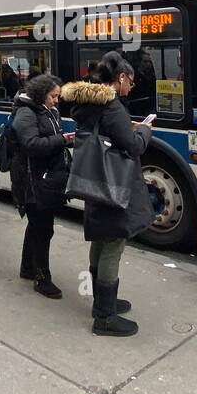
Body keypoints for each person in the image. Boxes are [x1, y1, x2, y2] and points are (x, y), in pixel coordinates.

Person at [61, 51, 153, 337]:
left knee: (101, 238)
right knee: (114, 241)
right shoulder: (112, 106)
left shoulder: (87, 102)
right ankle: (104, 316)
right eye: (131, 82)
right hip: (113, 185)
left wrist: (128, 128)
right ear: (121, 78)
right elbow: (133, 146)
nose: (131, 88)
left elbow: (107, 134)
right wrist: (145, 131)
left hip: (94, 181)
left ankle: (102, 301)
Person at [11, 74, 72, 298]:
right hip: (32, 180)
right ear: (41, 94)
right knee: (43, 229)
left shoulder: (48, 111)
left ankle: (27, 267)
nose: (57, 101)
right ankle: (41, 278)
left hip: (45, 177)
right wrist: (63, 140)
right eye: (53, 96)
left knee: (37, 226)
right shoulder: (25, 112)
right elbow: (31, 144)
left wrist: (64, 139)